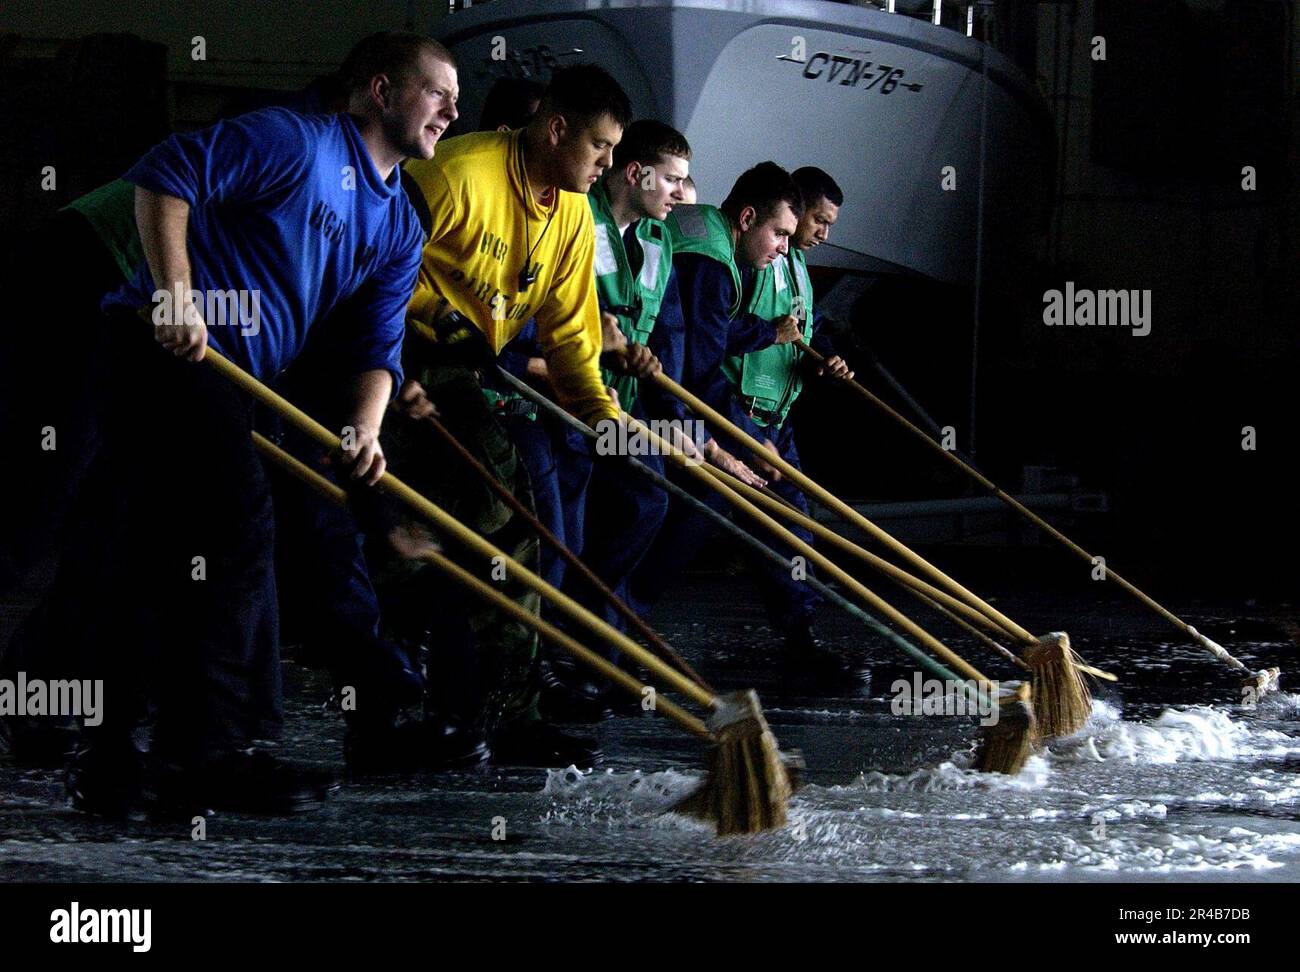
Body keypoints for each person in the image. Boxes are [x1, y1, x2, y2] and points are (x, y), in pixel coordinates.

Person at [68, 30, 454, 818]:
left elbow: (375, 349)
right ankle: (203, 754)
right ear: (380, 90)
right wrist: (177, 295)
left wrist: (367, 430)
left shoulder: (400, 227)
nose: (453, 109)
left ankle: (113, 758)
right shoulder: (297, 141)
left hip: (236, 380)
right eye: (436, 91)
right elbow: (165, 176)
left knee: (157, 556)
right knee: (236, 533)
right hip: (159, 352)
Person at [376, 64, 645, 767]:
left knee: (493, 530)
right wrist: (422, 325)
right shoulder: (459, 174)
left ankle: (485, 712)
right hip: (389, 355)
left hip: (462, 372)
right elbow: (367, 265)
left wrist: (601, 413)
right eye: (600, 146)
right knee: (467, 529)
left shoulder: (574, 219)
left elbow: (572, 340)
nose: (610, 163)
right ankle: (415, 715)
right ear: (556, 129)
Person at [631, 162, 860, 686]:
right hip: (730, 420)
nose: (816, 233)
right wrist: (741, 440)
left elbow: (808, 327)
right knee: (678, 527)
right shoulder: (737, 261)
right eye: (810, 222)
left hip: (768, 424)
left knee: (791, 532)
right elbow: (710, 351)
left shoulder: (790, 263)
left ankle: (801, 643)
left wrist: (824, 355)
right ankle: (616, 635)